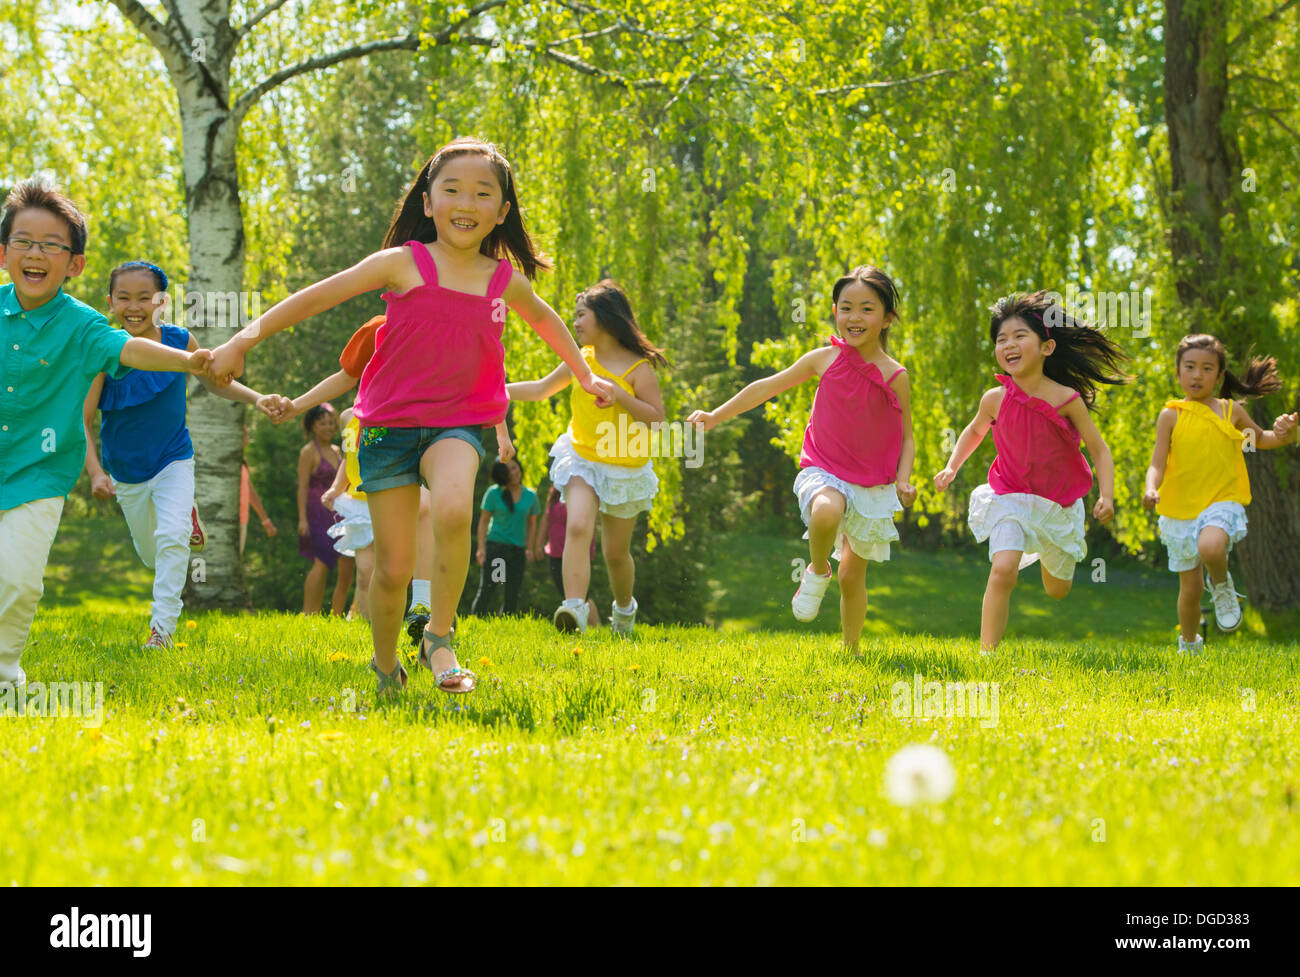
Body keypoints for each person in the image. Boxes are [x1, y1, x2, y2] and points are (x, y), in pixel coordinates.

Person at [206, 137, 614, 696]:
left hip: (460, 423)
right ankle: (383, 665)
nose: (465, 202)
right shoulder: (404, 264)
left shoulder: (501, 281)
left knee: (451, 509)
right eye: (451, 189)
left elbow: (546, 321)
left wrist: (585, 375)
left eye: (482, 193)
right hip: (387, 429)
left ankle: (438, 637)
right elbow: (315, 297)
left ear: (501, 210)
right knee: (394, 569)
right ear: (427, 202)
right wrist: (240, 341)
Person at [0, 178, 212, 692]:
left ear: (75, 264)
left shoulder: (85, 325)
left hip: (37, 472)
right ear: (3, 253)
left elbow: (132, 351)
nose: (36, 253)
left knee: (19, 581)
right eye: (24, 242)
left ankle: (4, 677)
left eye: (52, 245)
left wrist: (193, 362)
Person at [689, 266, 915, 657]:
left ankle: (851, 649)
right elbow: (766, 387)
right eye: (846, 308)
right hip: (824, 468)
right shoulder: (824, 358)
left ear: (887, 319)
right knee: (826, 513)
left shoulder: (894, 375)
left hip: (872, 484)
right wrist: (715, 415)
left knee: (853, 575)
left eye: (866, 309)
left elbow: (907, 436)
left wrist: (904, 480)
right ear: (834, 311)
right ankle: (816, 570)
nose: (854, 318)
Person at [82, 259, 287, 648]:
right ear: (110, 302)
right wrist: (94, 471)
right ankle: (182, 519)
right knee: (152, 554)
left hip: (174, 458)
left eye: (145, 297)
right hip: (126, 472)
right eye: (124, 298)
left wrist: (258, 399)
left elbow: (215, 382)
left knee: (173, 538)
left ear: (161, 301)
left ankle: (162, 632)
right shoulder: (105, 351)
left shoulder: (180, 341)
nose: (134, 306)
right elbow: (85, 419)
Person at [275, 314, 515, 636]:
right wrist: (297, 405)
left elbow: (482, 376)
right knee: (381, 567)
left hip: (432, 435)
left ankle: (425, 606)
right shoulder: (376, 331)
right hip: (383, 445)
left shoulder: (445, 324)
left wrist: (501, 432)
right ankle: (376, 636)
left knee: (433, 509)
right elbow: (345, 379)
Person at [933, 290, 1130, 652]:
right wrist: (951, 467)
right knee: (1003, 569)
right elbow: (975, 431)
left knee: (1058, 590)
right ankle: (987, 655)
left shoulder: (1066, 399)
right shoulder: (994, 399)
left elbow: (1100, 450)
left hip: (1058, 505)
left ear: (1047, 348)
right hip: (1010, 496)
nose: (1008, 344)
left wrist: (1106, 495)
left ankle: (1042, 548)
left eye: (1019, 336)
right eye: (1001, 339)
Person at [508, 280, 663, 635]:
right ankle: (574, 607)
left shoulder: (638, 369)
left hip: (624, 467)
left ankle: (624, 611)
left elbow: (656, 419)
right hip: (582, 457)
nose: (574, 324)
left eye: (581, 316)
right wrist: (495, 391)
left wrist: (619, 395)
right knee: (577, 525)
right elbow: (541, 389)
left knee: (615, 554)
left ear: (605, 318)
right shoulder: (580, 361)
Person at [1143, 334, 1298, 649]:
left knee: (1211, 548)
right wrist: (1150, 487)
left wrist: (1287, 433)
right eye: (1190, 367)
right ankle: (1190, 645)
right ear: (1177, 372)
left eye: (1206, 368)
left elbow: (1262, 439)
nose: (1197, 375)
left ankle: (1223, 586)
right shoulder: (1170, 415)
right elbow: (1156, 463)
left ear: (1219, 376)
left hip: (1221, 502)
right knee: (1190, 590)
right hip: (1179, 509)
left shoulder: (1230, 411)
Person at [297, 403, 354, 615]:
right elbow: (302, 488)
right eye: (323, 423)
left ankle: (336, 613)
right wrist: (302, 519)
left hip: (339, 512)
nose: (328, 427)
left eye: (331, 423)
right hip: (317, 513)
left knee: (346, 561)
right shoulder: (308, 452)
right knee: (321, 561)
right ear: (313, 426)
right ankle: (308, 612)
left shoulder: (338, 450)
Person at [321, 403, 375, 620]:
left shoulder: (394, 408)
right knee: (364, 574)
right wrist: (335, 488)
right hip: (360, 504)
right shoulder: (347, 417)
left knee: (390, 573)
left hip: (391, 498)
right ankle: (368, 630)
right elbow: (348, 457)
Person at [472, 457, 539, 615]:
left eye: (515, 468)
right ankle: (476, 620)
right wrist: (481, 549)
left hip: (517, 551)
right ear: (502, 475)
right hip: (497, 549)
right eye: (508, 471)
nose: (513, 473)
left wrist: (530, 548)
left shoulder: (531, 496)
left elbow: (532, 524)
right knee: (490, 587)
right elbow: (483, 521)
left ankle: (505, 624)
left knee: (512, 592)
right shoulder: (494, 493)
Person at [535, 484, 600, 626]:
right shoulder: (554, 493)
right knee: (566, 592)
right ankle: (574, 621)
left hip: (578, 553)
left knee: (583, 595)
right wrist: (539, 543)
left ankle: (596, 626)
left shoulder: (585, 491)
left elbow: (590, 522)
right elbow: (546, 519)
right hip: (555, 551)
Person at [239, 426, 277, 556]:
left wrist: (265, 521)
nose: (245, 440)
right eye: (243, 435)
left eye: (246, 436)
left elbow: (250, 492)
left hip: (241, 521)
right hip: (226, 521)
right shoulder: (226, 463)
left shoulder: (241, 463)